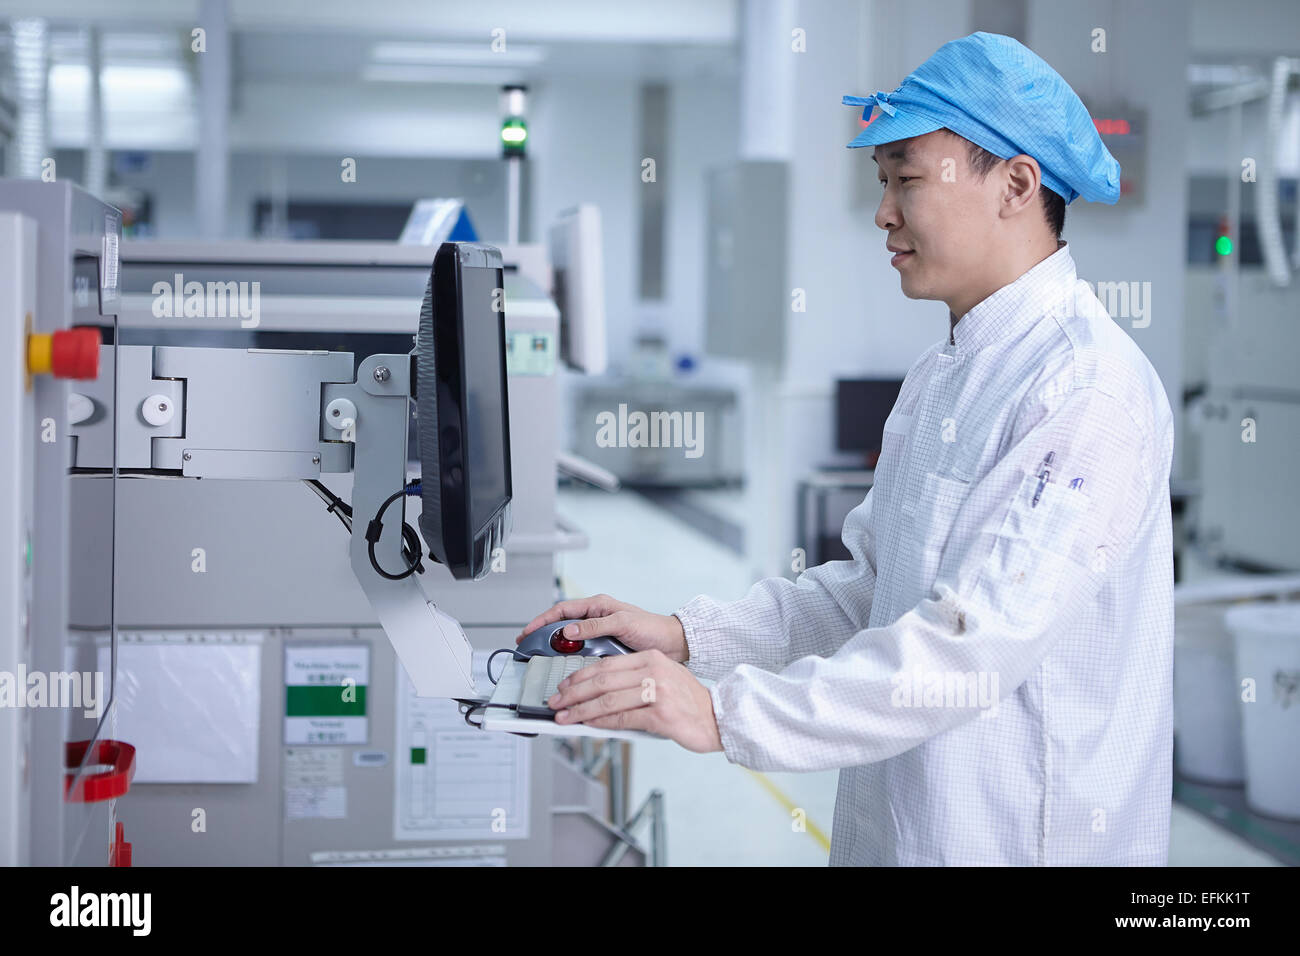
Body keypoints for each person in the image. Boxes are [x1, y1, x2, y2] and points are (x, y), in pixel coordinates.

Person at [519, 32, 1174, 866]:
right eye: (882, 183)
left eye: (907, 178)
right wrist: (687, 636)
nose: (883, 213)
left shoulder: (1086, 389)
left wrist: (722, 714)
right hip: (902, 833)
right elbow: (866, 595)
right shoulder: (944, 374)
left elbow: (970, 647)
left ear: (1016, 184)